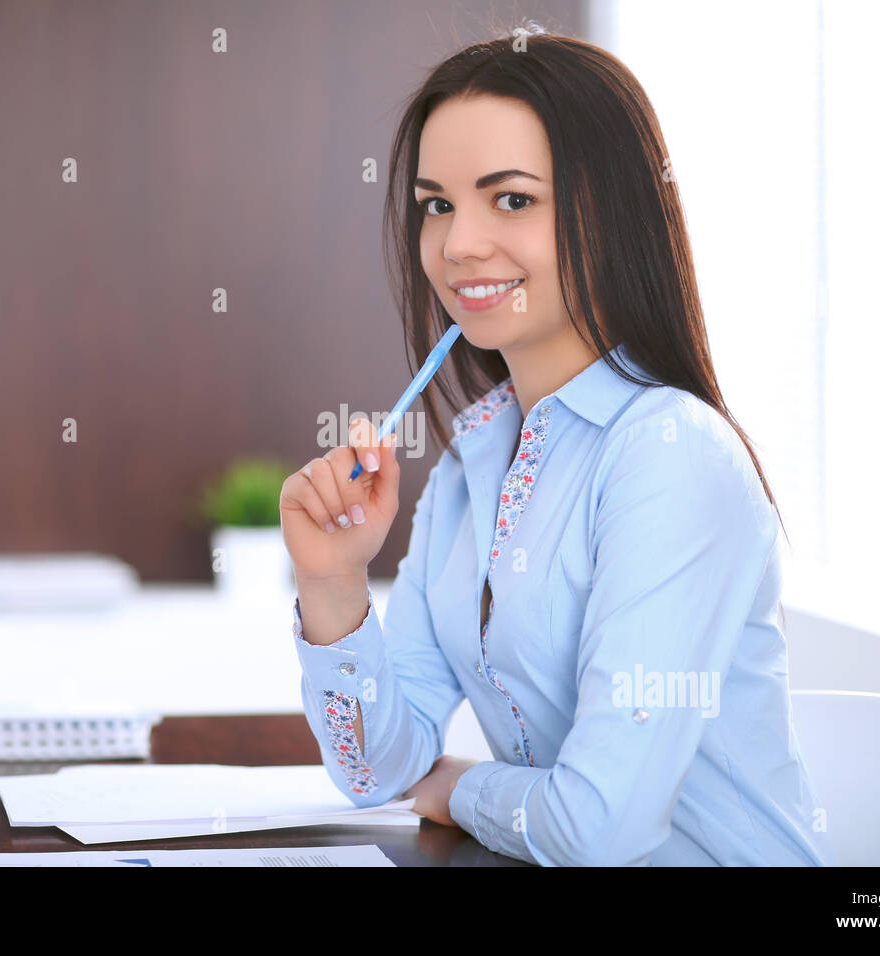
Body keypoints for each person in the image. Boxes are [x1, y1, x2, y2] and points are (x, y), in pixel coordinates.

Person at [279, 26, 835, 867]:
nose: (458, 244)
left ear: (611, 212)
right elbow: (375, 768)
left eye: (510, 199)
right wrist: (332, 582)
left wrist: (453, 787)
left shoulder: (672, 458)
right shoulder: (471, 467)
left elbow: (597, 830)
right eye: (437, 204)